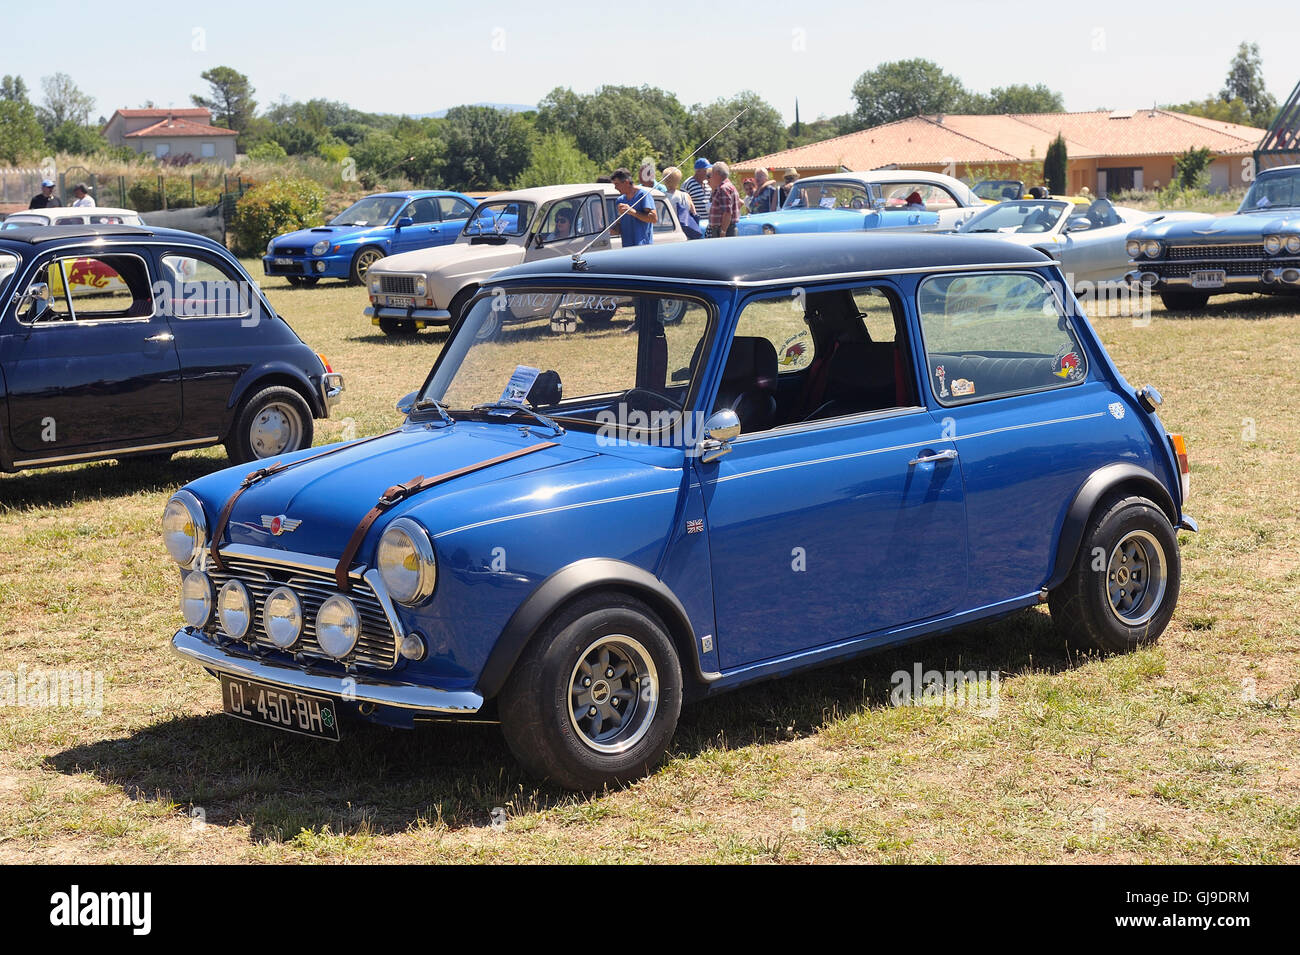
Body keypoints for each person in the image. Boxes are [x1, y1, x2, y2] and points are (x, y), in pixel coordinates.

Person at [609, 167, 657, 246]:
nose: (615, 188)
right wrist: (612, 230)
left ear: (626, 182)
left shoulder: (643, 195)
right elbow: (620, 224)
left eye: (617, 184)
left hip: (643, 246)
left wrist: (633, 212)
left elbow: (653, 218)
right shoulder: (620, 200)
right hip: (627, 247)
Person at [662, 166, 703, 239]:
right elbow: (694, 213)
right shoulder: (686, 196)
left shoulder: (662, 197)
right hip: (686, 231)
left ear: (665, 181)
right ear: (678, 180)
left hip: (669, 232)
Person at [707, 161, 740, 237]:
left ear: (717, 174)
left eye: (712, 174)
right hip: (727, 228)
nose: (711, 176)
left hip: (723, 230)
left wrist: (723, 231)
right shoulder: (729, 186)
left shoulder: (723, 189)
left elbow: (727, 212)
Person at [684, 158, 711, 222]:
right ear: (698, 171)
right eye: (706, 170)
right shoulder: (688, 183)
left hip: (708, 223)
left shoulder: (708, 183)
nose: (708, 172)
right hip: (695, 222)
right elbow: (683, 204)